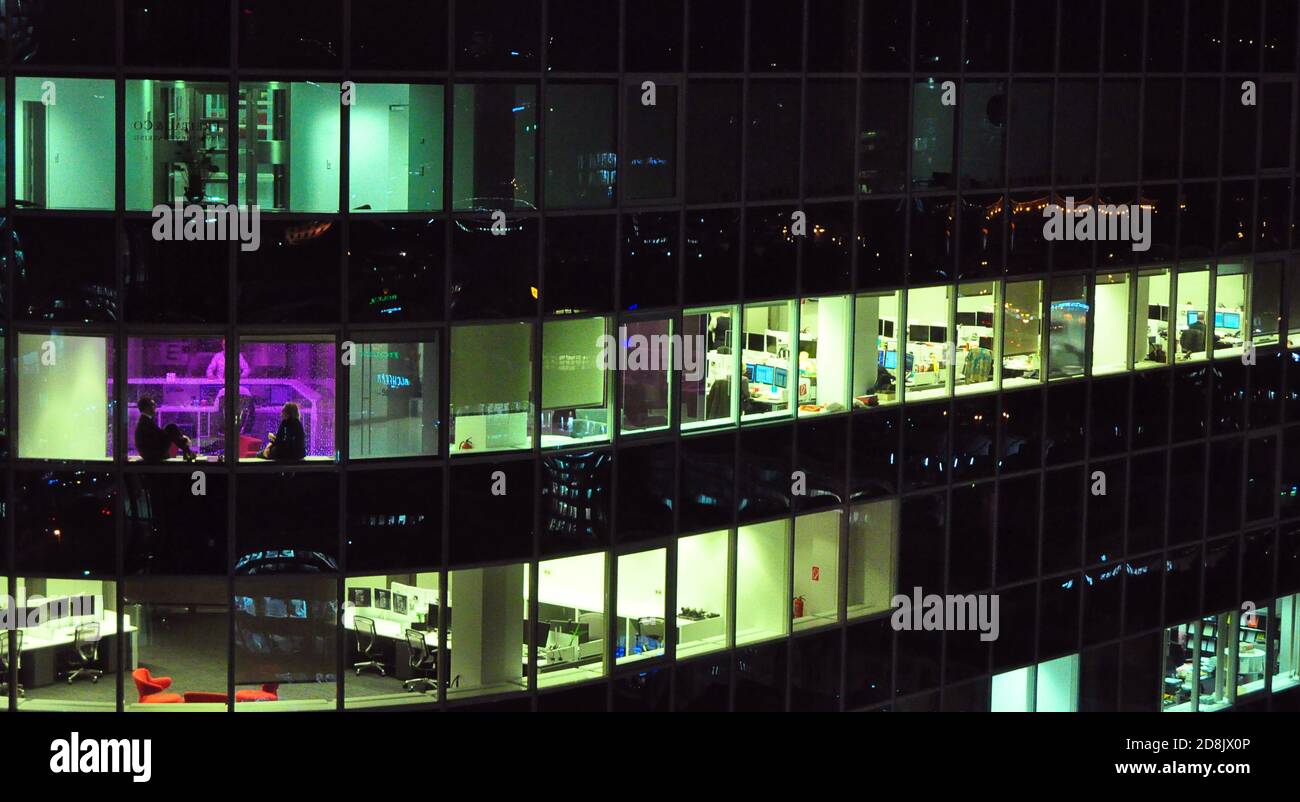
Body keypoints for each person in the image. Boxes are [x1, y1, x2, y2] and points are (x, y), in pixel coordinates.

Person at [135, 396, 196, 463]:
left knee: (171, 428)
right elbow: (160, 435)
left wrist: (180, 437)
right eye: (153, 405)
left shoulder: (144, 420)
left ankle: (186, 451)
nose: (155, 407)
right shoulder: (145, 422)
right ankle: (187, 451)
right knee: (171, 428)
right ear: (146, 408)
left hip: (150, 453)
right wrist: (182, 438)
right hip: (153, 455)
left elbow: (158, 435)